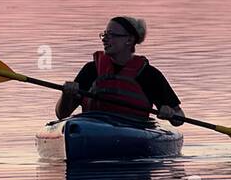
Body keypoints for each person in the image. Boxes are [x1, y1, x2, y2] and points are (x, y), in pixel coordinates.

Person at [55, 16, 184, 125]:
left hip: (133, 130)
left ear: (129, 40)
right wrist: (66, 95)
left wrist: (170, 113)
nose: (105, 39)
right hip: (93, 127)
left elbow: (180, 117)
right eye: (104, 35)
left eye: (111, 35)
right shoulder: (91, 70)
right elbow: (62, 114)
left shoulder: (149, 75)